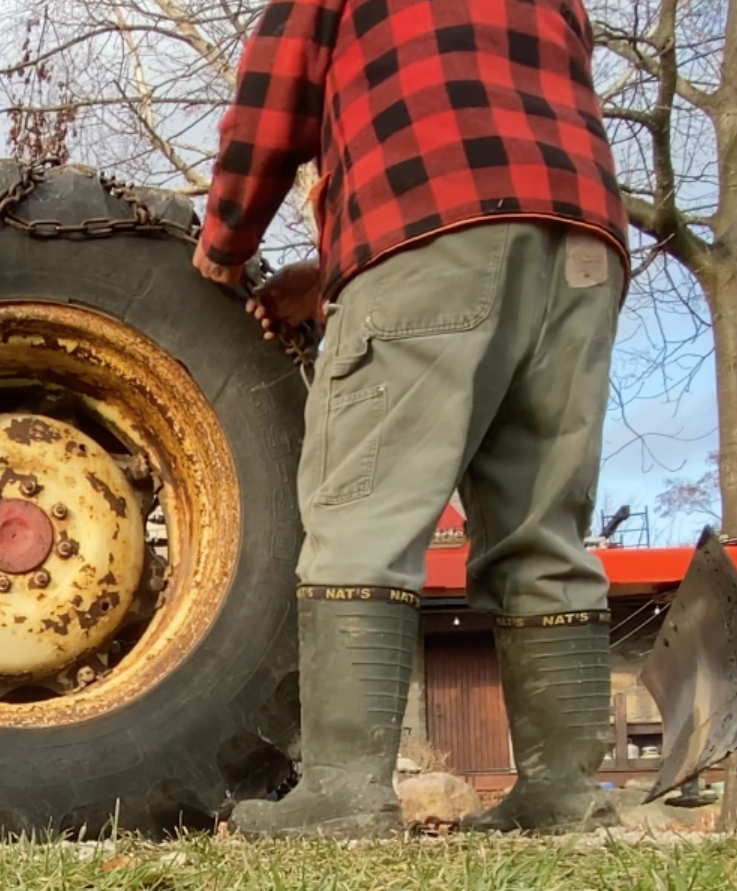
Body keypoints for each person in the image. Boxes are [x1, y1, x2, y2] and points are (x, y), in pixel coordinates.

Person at [194, 0, 630, 837]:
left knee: (363, 511)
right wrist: (331, 276)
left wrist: (226, 244)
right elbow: (491, 176)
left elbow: (271, 99)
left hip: (428, 229)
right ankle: (563, 798)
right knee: (542, 527)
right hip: (580, 247)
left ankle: (344, 797)